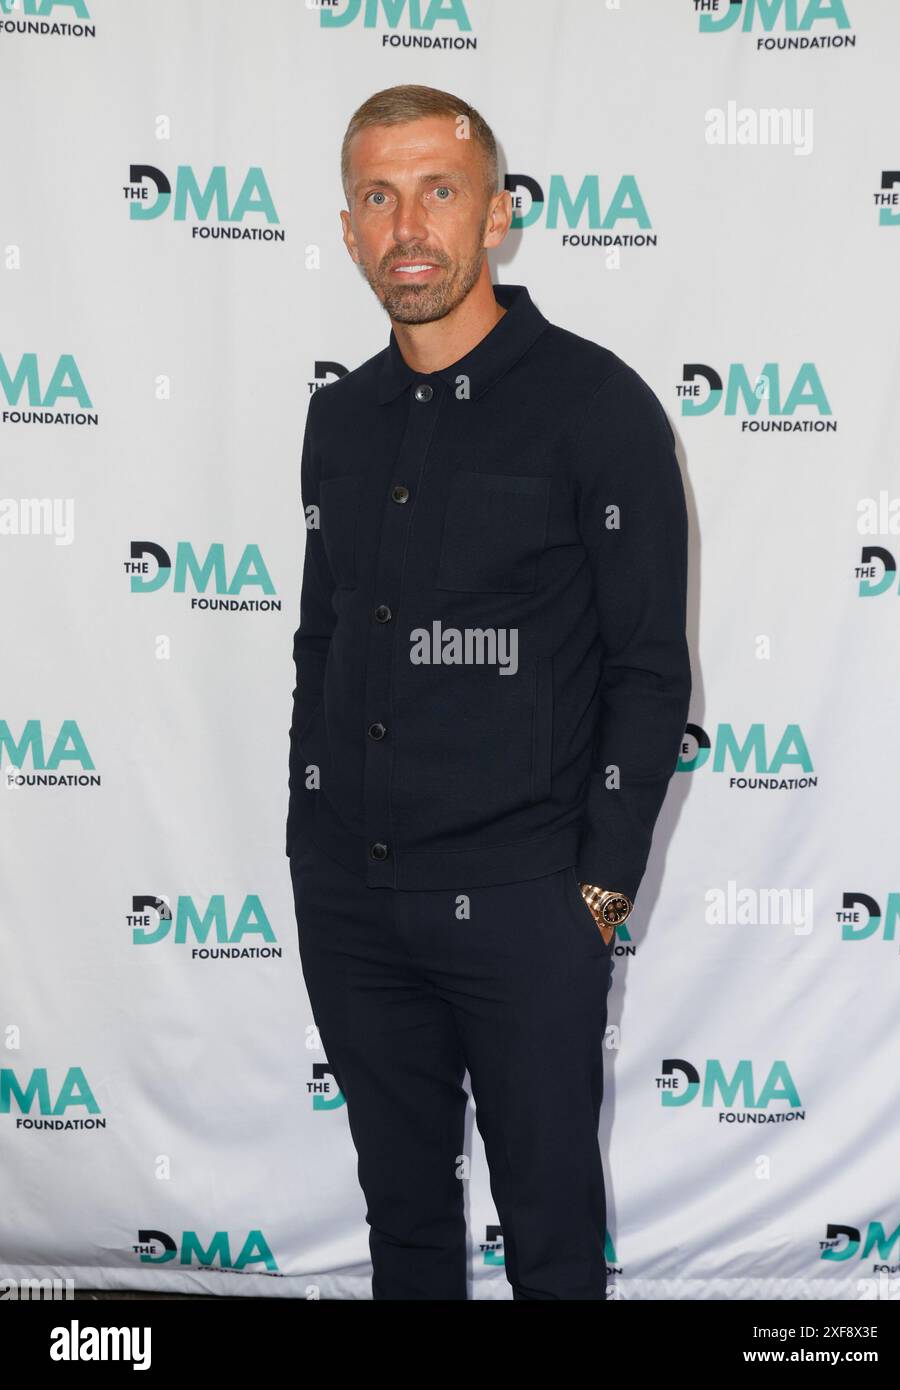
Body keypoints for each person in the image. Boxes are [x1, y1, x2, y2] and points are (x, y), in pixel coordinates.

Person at [286, 83, 691, 1301]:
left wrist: (597, 889)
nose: (408, 224)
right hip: (352, 897)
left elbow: (649, 666)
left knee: (552, 1239)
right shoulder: (339, 418)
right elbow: (322, 640)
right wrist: (310, 843)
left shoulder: (596, 404)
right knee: (403, 1226)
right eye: (378, 195)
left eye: (439, 190)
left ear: (498, 215)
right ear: (350, 227)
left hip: (526, 902)